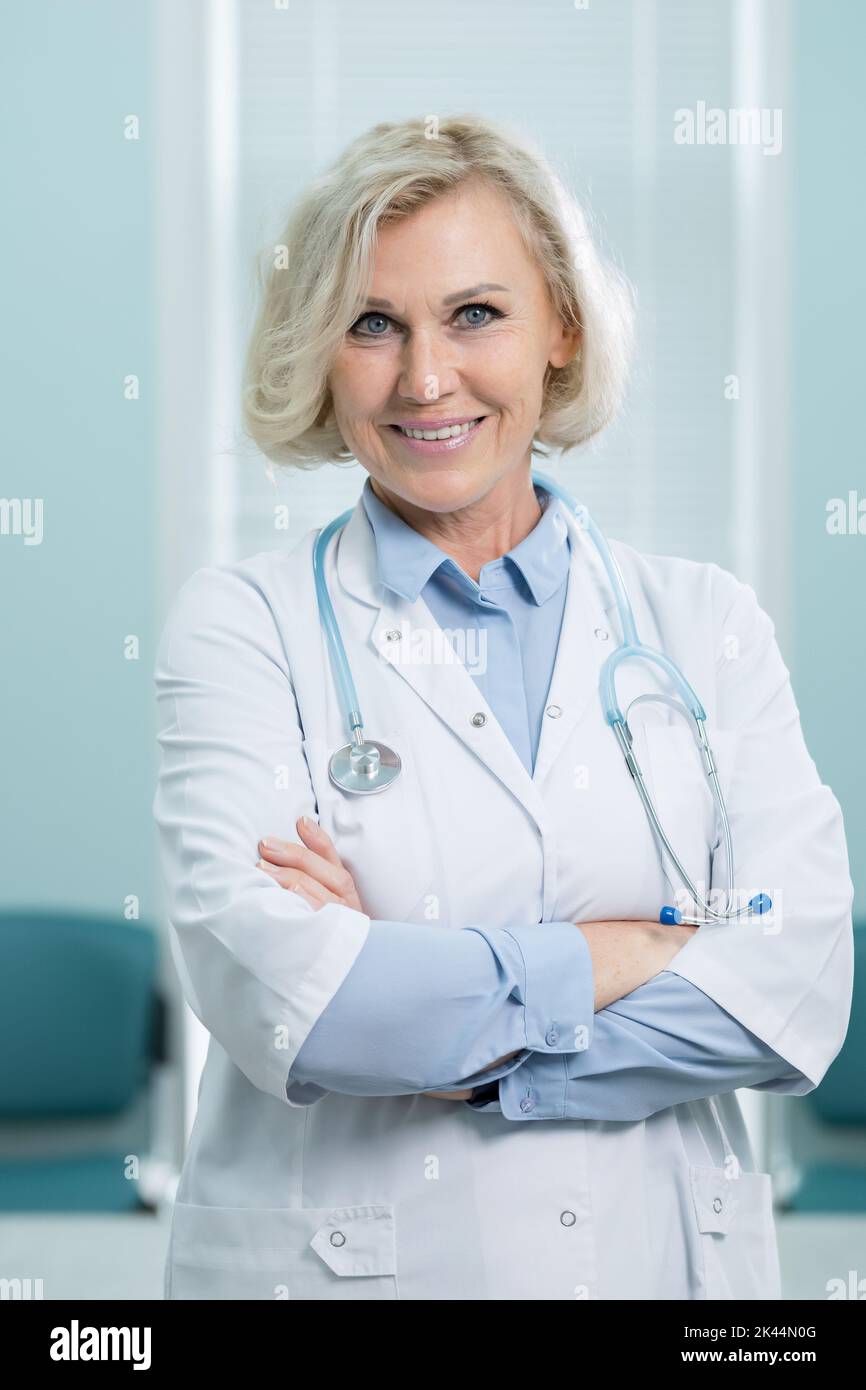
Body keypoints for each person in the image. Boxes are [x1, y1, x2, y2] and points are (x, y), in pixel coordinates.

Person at [152, 114, 854, 1300]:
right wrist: (638, 950)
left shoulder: (706, 627)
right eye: (373, 324)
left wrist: (438, 1021)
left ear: (560, 331)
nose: (425, 378)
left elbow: (791, 997)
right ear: (322, 350)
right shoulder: (240, 629)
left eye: (475, 313)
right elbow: (300, 1009)